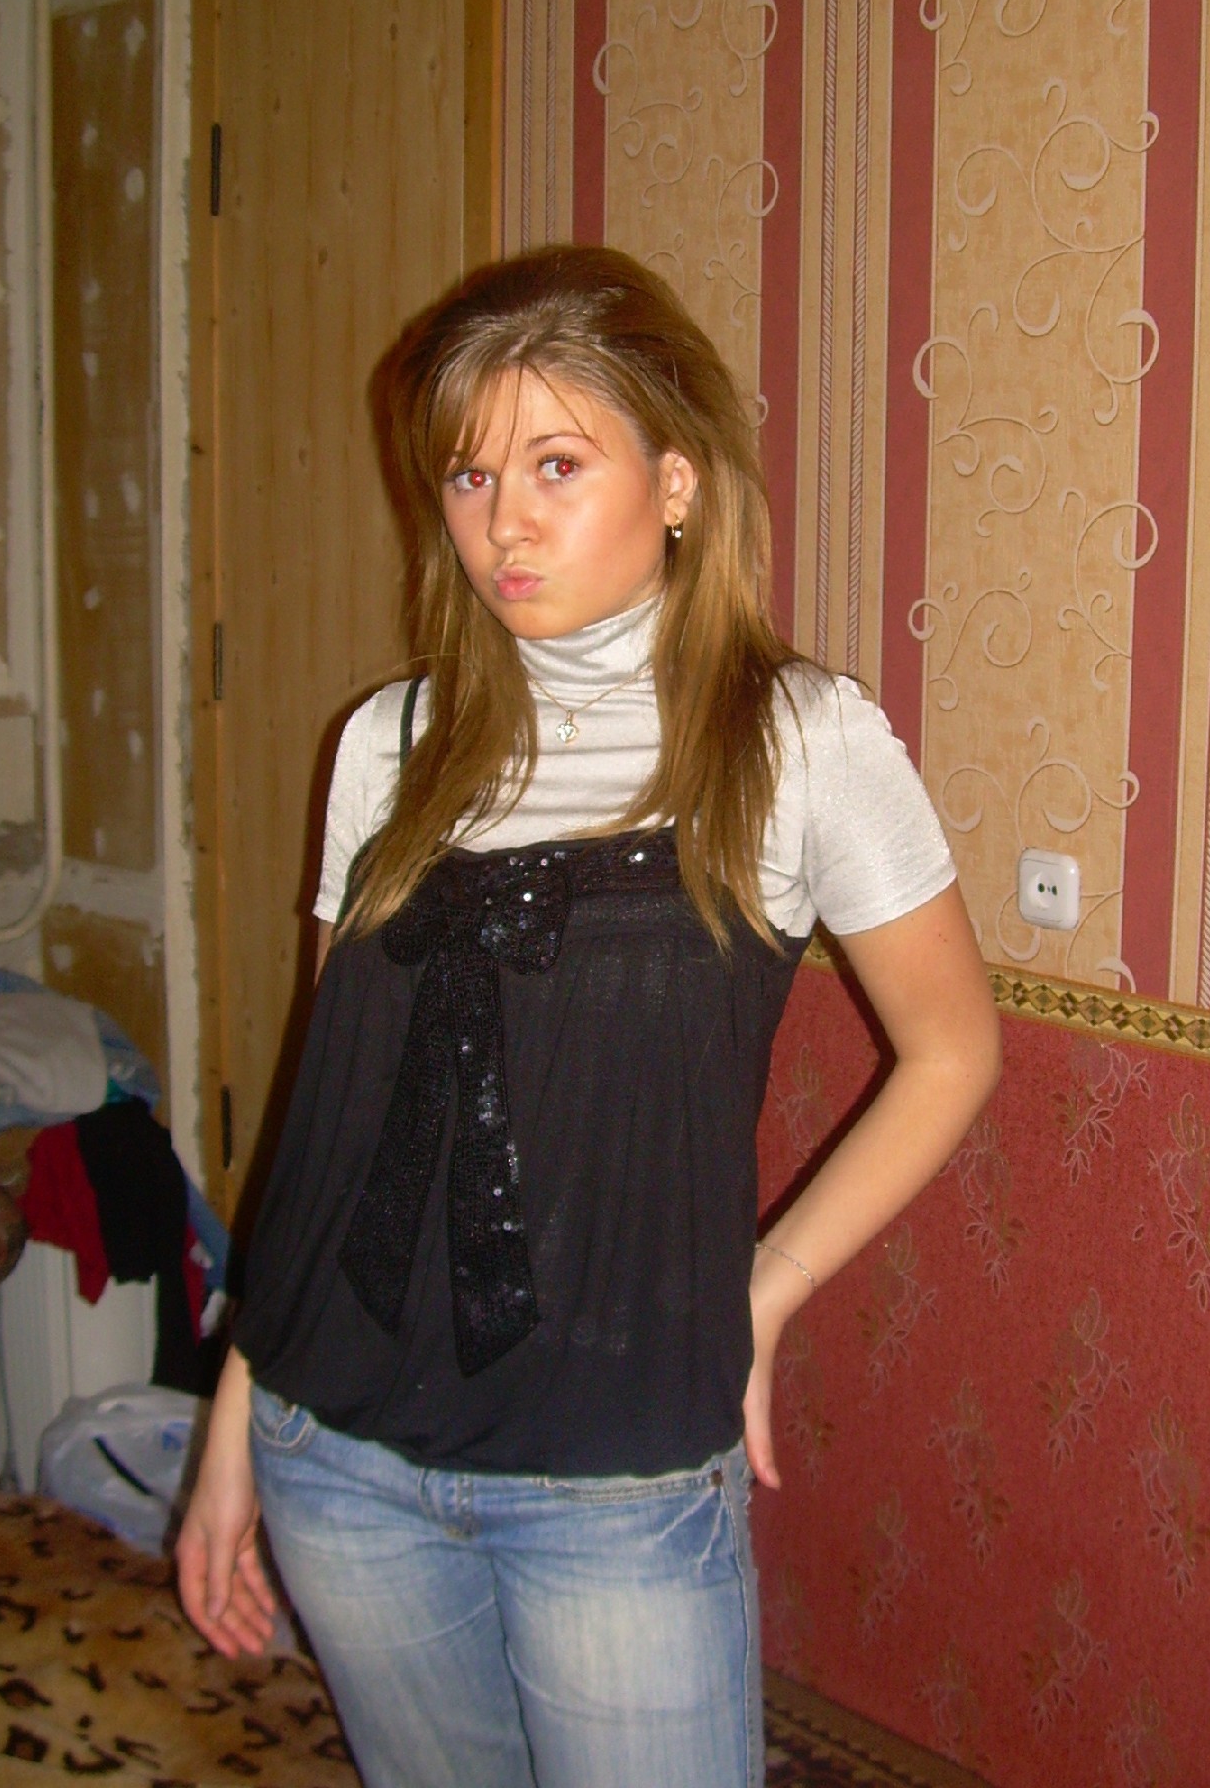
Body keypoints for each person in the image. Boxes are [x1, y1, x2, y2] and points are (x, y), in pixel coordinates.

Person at [176, 246, 1001, 1788]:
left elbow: (955, 1048)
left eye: (557, 464)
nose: (504, 522)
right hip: (333, 1456)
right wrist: (235, 1418)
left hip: (612, 1485)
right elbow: (330, 1122)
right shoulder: (389, 744)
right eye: (470, 475)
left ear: (676, 481)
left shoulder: (796, 742)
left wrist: (765, 1292)